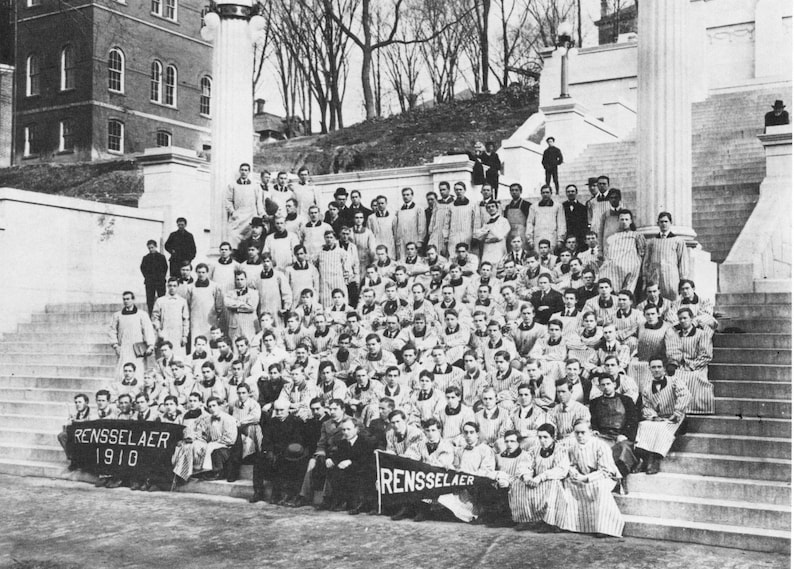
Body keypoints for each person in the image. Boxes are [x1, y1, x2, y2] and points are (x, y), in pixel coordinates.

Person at [563, 418, 625, 537]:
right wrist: (574, 473)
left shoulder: (600, 445)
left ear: (591, 432)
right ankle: (573, 524)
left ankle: (604, 528)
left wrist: (586, 478)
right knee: (568, 483)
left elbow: (606, 470)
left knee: (599, 487)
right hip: (583, 476)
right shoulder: (573, 447)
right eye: (577, 433)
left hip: (605, 477)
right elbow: (571, 464)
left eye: (583, 432)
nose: (580, 436)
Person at [635, 357, 691, 475]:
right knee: (643, 425)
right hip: (658, 417)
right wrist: (654, 417)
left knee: (662, 428)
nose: (656, 370)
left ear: (664, 369)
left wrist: (677, 412)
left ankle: (654, 460)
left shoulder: (675, 381)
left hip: (676, 417)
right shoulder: (647, 387)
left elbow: (685, 395)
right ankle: (643, 459)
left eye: (659, 367)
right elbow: (646, 406)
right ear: (649, 369)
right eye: (653, 367)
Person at [510, 423, 570, 532]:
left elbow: (561, 470)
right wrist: (527, 477)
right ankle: (526, 519)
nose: (542, 440)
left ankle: (549, 522)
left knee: (552, 484)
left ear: (553, 437)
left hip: (553, 480)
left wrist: (541, 477)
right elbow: (525, 465)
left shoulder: (560, 450)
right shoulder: (535, 450)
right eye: (540, 437)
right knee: (518, 483)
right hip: (535, 480)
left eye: (546, 437)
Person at [589, 373, 639, 495]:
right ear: (599, 387)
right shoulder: (595, 402)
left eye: (608, 384)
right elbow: (593, 420)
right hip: (603, 436)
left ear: (614, 384)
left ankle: (621, 479)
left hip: (620, 435)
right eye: (603, 385)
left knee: (622, 448)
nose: (606, 387)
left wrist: (625, 434)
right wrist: (595, 429)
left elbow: (633, 421)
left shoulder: (626, 400)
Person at [664, 307, 714, 414]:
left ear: (691, 319)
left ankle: (691, 409)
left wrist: (692, 366)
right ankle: (673, 409)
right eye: (680, 319)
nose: (682, 321)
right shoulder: (675, 334)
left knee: (692, 378)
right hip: (680, 365)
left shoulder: (701, 334)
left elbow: (706, 355)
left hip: (697, 366)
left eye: (685, 318)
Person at [325, 417, 376, 514]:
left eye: (349, 429)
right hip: (347, 472)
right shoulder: (342, 443)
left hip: (363, 471)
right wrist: (331, 460)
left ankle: (358, 504)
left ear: (356, 429)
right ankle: (340, 501)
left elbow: (367, 460)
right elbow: (337, 456)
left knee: (360, 474)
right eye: (343, 430)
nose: (346, 432)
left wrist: (350, 462)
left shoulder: (365, 442)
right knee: (333, 470)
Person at [642, 212, 690, 301]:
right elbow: (646, 261)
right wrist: (645, 276)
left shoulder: (678, 241)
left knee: (672, 300)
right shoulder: (652, 241)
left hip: (672, 277)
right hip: (655, 277)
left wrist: (683, 279)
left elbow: (682, 261)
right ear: (658, 223)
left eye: (666, 221)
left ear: (670, 223)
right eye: (661, 222)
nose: (663, 224)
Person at [109, 291, 155, 380]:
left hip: (138, 349)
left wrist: (151, 345)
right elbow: (112, 331)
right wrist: (115, 346)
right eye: (124, 299)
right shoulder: (117, 315)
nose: (126, 301)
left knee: (139, 371)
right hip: (123, 348)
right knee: (123, 372)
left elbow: (148, 330)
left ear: (133, 300)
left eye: (128, 299)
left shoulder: (142, 314)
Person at [599, 209, 645, 294]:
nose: (624, 222)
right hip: (614, 270)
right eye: (622, 219)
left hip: (631, 267)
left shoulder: (636, 235)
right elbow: (607, 254)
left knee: (626, 293)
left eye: (626, 219)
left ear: (631, 221)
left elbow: (642, 253)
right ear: (618, 220)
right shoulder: (612, 238)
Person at [196, 396, 238, 480]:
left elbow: (231, 439)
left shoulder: (228, 419)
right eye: (210, 406)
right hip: (213, 444)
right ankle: (199, 470)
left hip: (227, 447)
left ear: (219, 406)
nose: (212, 408)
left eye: (214, 405)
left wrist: (215, 442)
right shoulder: (208, 420)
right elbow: (206, 435)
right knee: (198, 445)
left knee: (212, 448)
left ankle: (214, 471)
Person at [225, 163, 264, 250]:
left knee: (250, 238)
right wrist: (233, 212)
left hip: (251, 216)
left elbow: (259, 202)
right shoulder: (232, 185)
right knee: (233, 236)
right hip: (238, 216)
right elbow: (228, 201)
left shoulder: (255, 186)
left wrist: (261, 214)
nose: (244, 172)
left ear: (249, 172)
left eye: (246, 170)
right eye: (242, 170)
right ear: (239, 171)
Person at [185, 263, 224, 344]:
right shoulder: (190, 287)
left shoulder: (215, 286)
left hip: (210, 319)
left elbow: (219, 304)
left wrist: (218, 317)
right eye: (199, 272)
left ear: (207, 273)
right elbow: (188, 304)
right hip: (195, 320)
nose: (201, 274)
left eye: (203, 272)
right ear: (196, 273)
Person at [152, 277, 189, 359]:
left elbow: (185, 319)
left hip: (178, 334)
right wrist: (158, 331)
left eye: (174, 286)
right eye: (170, 285)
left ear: (178, 286)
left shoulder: (182, 301)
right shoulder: (160, 301)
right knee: (164, 356)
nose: (172, 288)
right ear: (167, 286)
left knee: (178, 357)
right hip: (164, 333)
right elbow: (155, 318)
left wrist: (184, 336)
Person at [317, 231, 354, 307]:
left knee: (340, 305)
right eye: (327, 237)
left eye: (331, 237)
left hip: (338, 282)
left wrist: (345, 280)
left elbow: (347, 269)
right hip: (325, 284)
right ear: (324, 238)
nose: (329, 240)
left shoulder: (341, 252)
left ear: (335, 239)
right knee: (326, 306)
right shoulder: (319, 253)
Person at [57, 393, 92, 470]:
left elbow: (88, 423)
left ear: (86, 403)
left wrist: (75, 421)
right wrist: (69, 424)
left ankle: (79, 460)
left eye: (80, 402)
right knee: (62, 435)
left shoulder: (92, 412)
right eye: (76, 402)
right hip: (78, 436)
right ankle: (73, 459)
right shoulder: (77, 414)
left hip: (89, 438)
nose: (77, 404)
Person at [526, 185, 566, 252]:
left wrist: (560, 239)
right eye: (543, 192)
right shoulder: (533, 207)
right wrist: (530, 239)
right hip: (538, 236)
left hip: (552, 237)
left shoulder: (558, 206)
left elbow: (561, 223)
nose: (545, 194)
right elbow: (530, 223)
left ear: (551, 193)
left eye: (547, 192)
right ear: (541, 194)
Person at [224, 270, 259, 343]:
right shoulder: (230, 293)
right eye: (238, 279)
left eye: (242, 279)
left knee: (249, 347)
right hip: (234, 326)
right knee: (235, 349)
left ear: (246, 280)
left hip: (248, 326)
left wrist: (236, 308)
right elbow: (227, 303)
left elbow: (252, 307)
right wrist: (243, 303)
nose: (240, 281)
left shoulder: (253, 293)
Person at [474, 199, 511, 266]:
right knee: (486, 265)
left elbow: (500, 236)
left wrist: (489, 237)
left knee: (498, 266)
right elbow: (478, 236)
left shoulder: (503, 221)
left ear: (497, 208)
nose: (491, 208)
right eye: (488, 207)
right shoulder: (487, 223)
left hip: (498, 248)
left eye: (493, 206)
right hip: (487, 249)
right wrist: (485, 237)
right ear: (487, 210)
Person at [394, 187, 426, 261]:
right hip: (402, 240)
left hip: (413, 238)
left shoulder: (418, 208)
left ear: (412, 195)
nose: (405, 197)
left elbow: (421, 225)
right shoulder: (399, 210)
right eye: (404, 195)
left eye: (408, 195)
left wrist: (420, 240)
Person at [140, 240, 169, 315]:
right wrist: (148, 277)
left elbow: (165, 267)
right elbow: (142, 268)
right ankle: (151, 316)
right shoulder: (146, 258)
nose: (151, 249)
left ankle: (162, 315)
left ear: (156, 247)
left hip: (160, 282)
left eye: (152, 247)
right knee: (150, 301)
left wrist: (161, 277)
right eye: (149, 248)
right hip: (150, 282)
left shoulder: (161, 257)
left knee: (162, 299)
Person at [449, 181, 477, 254]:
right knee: (453, 255)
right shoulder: (451, 206)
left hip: (467, 235)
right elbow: (446, 223)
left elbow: (476, 221)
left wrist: (475, 236)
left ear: (465, 190)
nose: (458, 191)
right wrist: (446, 237)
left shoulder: (472, 205)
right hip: (454, 236)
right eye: (456, 190)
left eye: (460, 189)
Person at [426, 182, 453, 255]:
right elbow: (433, 219)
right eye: (440, 190)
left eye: (444, 189)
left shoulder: (453, 203)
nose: (442, 192)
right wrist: (431, 231)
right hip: (437, 233)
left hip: (448, 234)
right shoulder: (437, 204)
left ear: (449, 190)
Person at [502, 183, 531, 249]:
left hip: (522, 233)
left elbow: (530, 222)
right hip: (510, 233)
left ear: (521, 191)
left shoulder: (527, 205)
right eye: (512, 190)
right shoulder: (507, 207)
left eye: (516, 190)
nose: (514, 192)